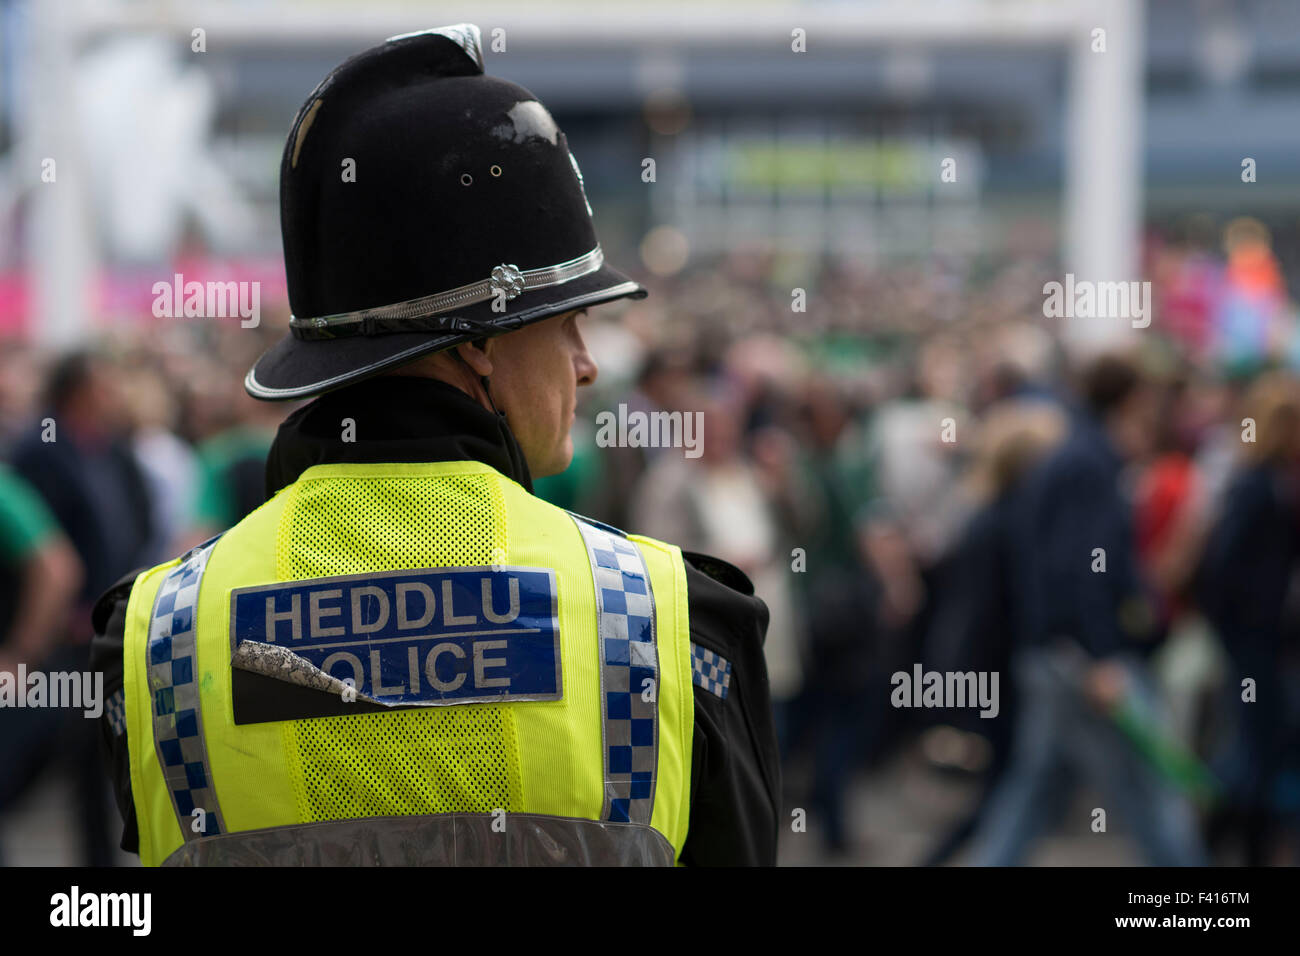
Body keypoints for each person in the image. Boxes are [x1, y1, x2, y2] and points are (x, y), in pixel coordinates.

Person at [90, 24, 779, 866]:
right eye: (568, 324)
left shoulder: (155, 635)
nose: (589, 365)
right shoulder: (675, 621)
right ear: (480, 345)